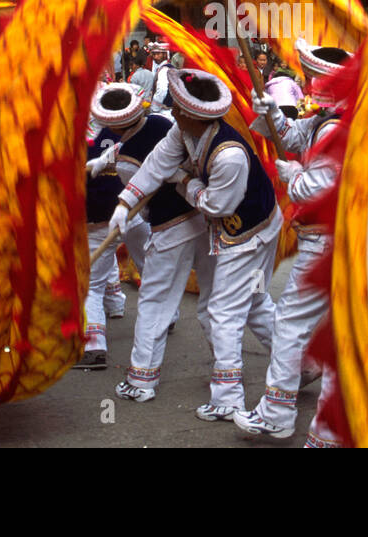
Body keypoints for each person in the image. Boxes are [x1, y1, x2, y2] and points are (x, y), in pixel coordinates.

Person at [109, 69, 280, 420]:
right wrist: (126, 203)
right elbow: (158, 163)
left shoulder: (228, 155)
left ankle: (228, 398)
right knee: (250, 302)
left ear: (194, 114)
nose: (172, 111)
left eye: (178, 108)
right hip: (227, 226)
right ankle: (300, 364)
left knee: (222, 312)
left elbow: (217, 206)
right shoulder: (185, 131)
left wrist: (184, 180)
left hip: (247, 232)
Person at [233, 39, 352, 439]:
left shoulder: (337, 125)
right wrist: (268, 116)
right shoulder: (329, 117)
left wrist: (292, 177)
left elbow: (319, 187)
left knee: (289, 324)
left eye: (313, 76)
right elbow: (293, 136)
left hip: (326, 240)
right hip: (341, 241)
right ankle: (329, 429)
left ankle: (277, 414)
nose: (308, 81)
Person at [85, 83, 197, 372]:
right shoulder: (159, 123)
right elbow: (133, 143)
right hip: (137, 218)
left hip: (111, 217)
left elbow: (138, 168)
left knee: (92, 284)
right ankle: (168, 315)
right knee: (150, 267)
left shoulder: (110, 150)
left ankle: (94, 344)